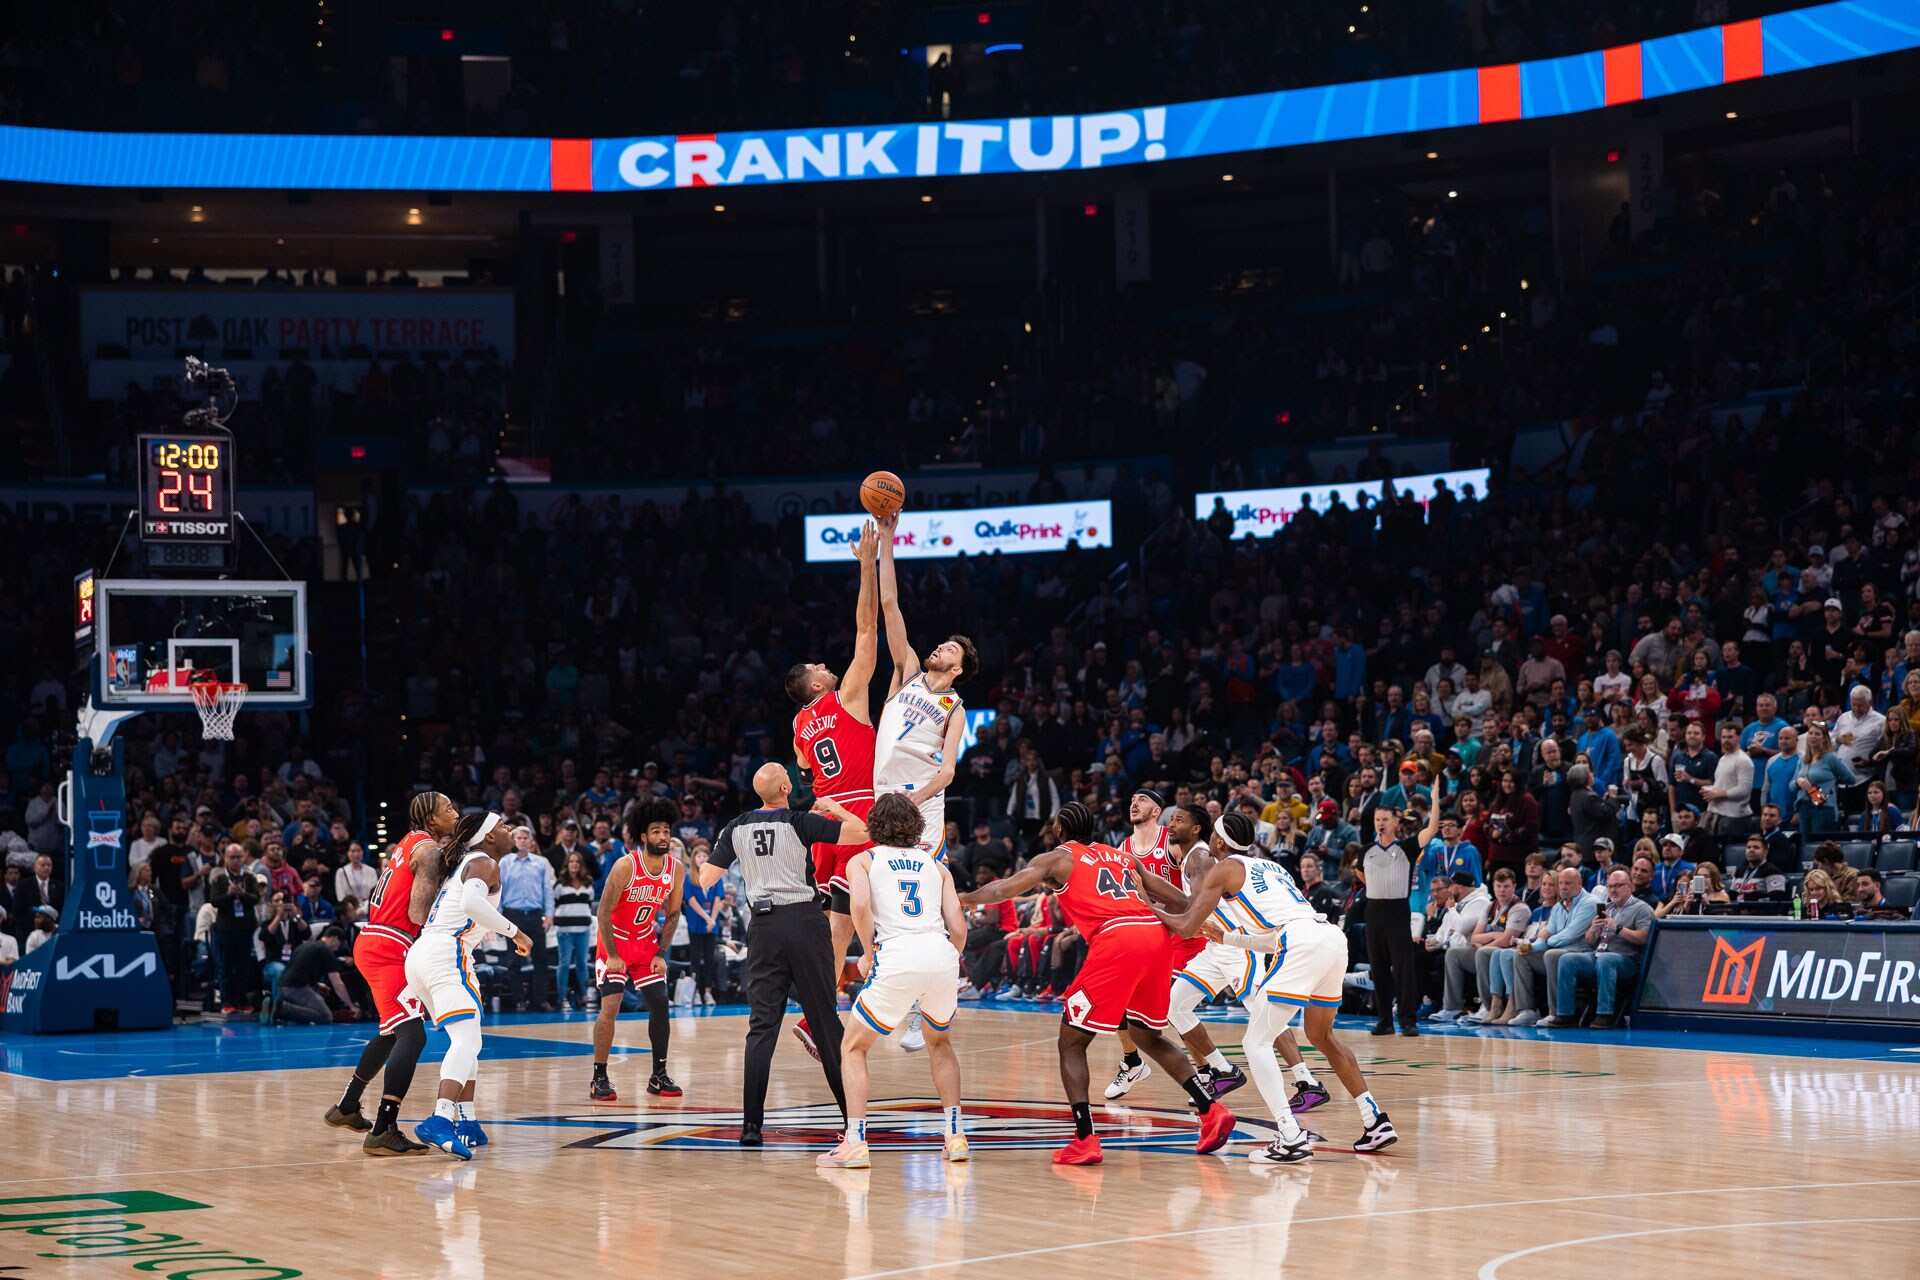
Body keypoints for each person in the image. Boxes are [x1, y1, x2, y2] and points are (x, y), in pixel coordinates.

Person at [959, 800, 1236, 1165]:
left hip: (1117, 939)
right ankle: (1211, 1111)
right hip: (1155, 936)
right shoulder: (1118, 855)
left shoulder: (1056, 859)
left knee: (1071, 1041)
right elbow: (1183, 899)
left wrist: (961, 898)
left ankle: (1085, 1138)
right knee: (1146, 1035)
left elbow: (1002, 890)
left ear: (1059, 831)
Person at [1140, 811, 1397, 1164]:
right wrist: (1228, 936)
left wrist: (1145, 903)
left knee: (1255, 1041)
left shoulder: (1223, 868)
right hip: (1329, 939)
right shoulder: (1272, 867)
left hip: (1301, 943)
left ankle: (1290, 1136)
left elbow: (1185, 926)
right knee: (1322, 1037)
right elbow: (1276, 934)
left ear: (1217, 841)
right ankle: (1375, 1119)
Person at [701, 762, 868, 1146]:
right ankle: (852, 1123)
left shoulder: (736, 826)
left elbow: (706, 878)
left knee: (761, 1027)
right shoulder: (799, 821)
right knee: (826, 1023)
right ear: (782, 787)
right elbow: (862, 831)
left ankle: (751, 1127)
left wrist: (726, 849)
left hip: (763, 928)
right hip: (805, 925)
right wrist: (835, 808)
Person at [817, 794, 970, 1169]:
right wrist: (949, 958)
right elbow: (959, 927)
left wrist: (869, 951)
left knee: (852, 1047)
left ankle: (855, 1141)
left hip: (898, 954)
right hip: (940, 953)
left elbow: (860, 907)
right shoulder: (938, 866)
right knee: (940, 1043)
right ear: (916, 825)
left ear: (875, 826)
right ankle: (955, 1136)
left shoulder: (863, 860)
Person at [872, 510, 976, 1052]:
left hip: (921, 806)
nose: (940, 648)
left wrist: (914, 798)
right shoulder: (908, 669)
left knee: (927, 900)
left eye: (951, 650)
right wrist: (889, 541)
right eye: (942, 645)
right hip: (882, 799)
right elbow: (891, 605)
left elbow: (949, 770)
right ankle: (887, 980)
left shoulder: (954, 705)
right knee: (879, 892)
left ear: (959, 668)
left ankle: (925, 1007)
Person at [788, 520, 883, 1060]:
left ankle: (813, 1014)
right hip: (862, 819)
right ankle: (903, 1001)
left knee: (839, 926)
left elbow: (806, 782)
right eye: (821, 666)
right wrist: (865, 566)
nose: (829, 663)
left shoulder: (799, 728)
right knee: (894, 907)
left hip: (826, 825)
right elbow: (866, 630)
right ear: (819, 684)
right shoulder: (845, 696)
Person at [324, 791, 458, 1156]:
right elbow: (417, 914)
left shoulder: (408, 844)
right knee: (413, 1036)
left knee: (391, 1032)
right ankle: (384, 1127)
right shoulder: (428, 850)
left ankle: (347, 1106)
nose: (455, 812)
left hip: (374, 938)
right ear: (431, 818)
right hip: (391, 944)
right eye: (448, 808)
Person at [403, 811, 529, 1159]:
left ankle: (467, 1120)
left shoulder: (467, 862)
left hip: (428, 954)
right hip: (446, 951)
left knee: (469, 1038)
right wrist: (515, 932)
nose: (509, 830)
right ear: (489, 836)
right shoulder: (484, 861)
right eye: (503, 826)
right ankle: (440, 1118)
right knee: (467, 1038)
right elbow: (471, 903)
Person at [589, 799, 687, 1103]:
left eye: (666, 831)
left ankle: (658, 1075)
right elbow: (603, 912)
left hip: (645, 942)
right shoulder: (625, 865)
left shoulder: (676, 869)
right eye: (656, 831)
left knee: (660, 1004)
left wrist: (661, 953)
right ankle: (599, 1077)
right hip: (614, 941)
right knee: (612, 1006)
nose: (662, 836)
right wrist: (614, 956)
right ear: (643, 836)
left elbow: (673, 914)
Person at [1103, 786, 1173, 1100]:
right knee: (1117, 1000)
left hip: (1184, 933)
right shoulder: (1123, 848)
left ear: (1156, 809)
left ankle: (1210, 1069)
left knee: (1180, 1010)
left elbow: (1192, 886)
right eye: (1132, 798)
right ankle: (1132, 1061)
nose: (1133, 802)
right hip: (1148, 935)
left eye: (1141, 799)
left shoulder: (1172, 839)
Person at [1549, 870, 1653, 1030]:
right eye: (1610, 886)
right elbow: (1590, 942)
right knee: (1567, 959)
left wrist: (1617, 928)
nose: (1613, 890)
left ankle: (1605, 1014)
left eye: (1618, 886)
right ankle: (1565, 1014)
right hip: (1599, 954)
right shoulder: (1607, 908)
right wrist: (1593, 929)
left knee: (1607, 959)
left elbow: (1644, 938)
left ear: (1629, 887)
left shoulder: (1642, 909)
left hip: (1627, 960)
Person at [1361, 789, 1424, 1037]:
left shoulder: (1407, 847)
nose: (1381, 823)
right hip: (1374, 909)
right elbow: (1360, 873)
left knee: (1403, 967)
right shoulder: (1366, 850)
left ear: (1395, 823)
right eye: (1377, 820)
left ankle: (1408, 1019)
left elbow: (1428, 833)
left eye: (1385, 819)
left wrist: (1436, 799)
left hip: (1398, 909)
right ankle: (1384, 1020)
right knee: (1378, 967)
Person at [497, 816, 556, 1013]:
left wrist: (549, 915)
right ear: (514, 841)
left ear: (531, 841)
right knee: (514, 961)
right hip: (512, 915)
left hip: (534, 914)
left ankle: (540, 1000)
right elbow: (499, 890)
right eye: (519, 838)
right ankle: (519, 1001)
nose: (523, 841)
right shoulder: (505, 863)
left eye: (526, 838)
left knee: (541, 959)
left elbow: (547, 890)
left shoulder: (540, 863)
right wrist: (498, 918)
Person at [278, 927, 358, 1024]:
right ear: (334, 939)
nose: (338, 949)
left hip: (282, 987)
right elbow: (337, 984)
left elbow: (298, 971)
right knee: (326, 1016)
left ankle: (278, 1007)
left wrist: (318, 985)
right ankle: (282, 1008)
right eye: (339, 944)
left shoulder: (306, 946)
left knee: (318, 997)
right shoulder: (325, 950)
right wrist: (352, 1006)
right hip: (295, 989)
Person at [1794, 723, 1857, 833]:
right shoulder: (1803, 759)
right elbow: (1791, 786)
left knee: (1820, 845)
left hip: (1823, 808)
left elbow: (1851, 779)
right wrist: (1797, 781)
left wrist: (1832, 781)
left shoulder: (1830, 757)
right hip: (1804, 807)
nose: (1813, 736)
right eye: (1811, 733)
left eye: (1817, 734)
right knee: (1805, 846)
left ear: (1824, 739)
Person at [682, 848, 726, 1006]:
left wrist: (713, 920)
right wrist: (707, 918)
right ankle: (695, 992)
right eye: (698, 856)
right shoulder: (689, 878)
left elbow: (718, 900)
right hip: (696, 923)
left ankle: (707, 991)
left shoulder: (715, 877)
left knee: (710, 958)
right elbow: (691, 901)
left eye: (704, 855)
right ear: (693, 859)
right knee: (695, 959)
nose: (701, 858)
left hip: (711, 924)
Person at [1655, 862, 1729, 918]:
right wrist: (1686, 904)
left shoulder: (1722, 896)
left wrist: (1707, 904)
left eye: (1706, 876)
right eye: (1699, 876)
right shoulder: (1692, 897)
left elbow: (1723, 919)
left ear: (1713, 878)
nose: (1702, 879)